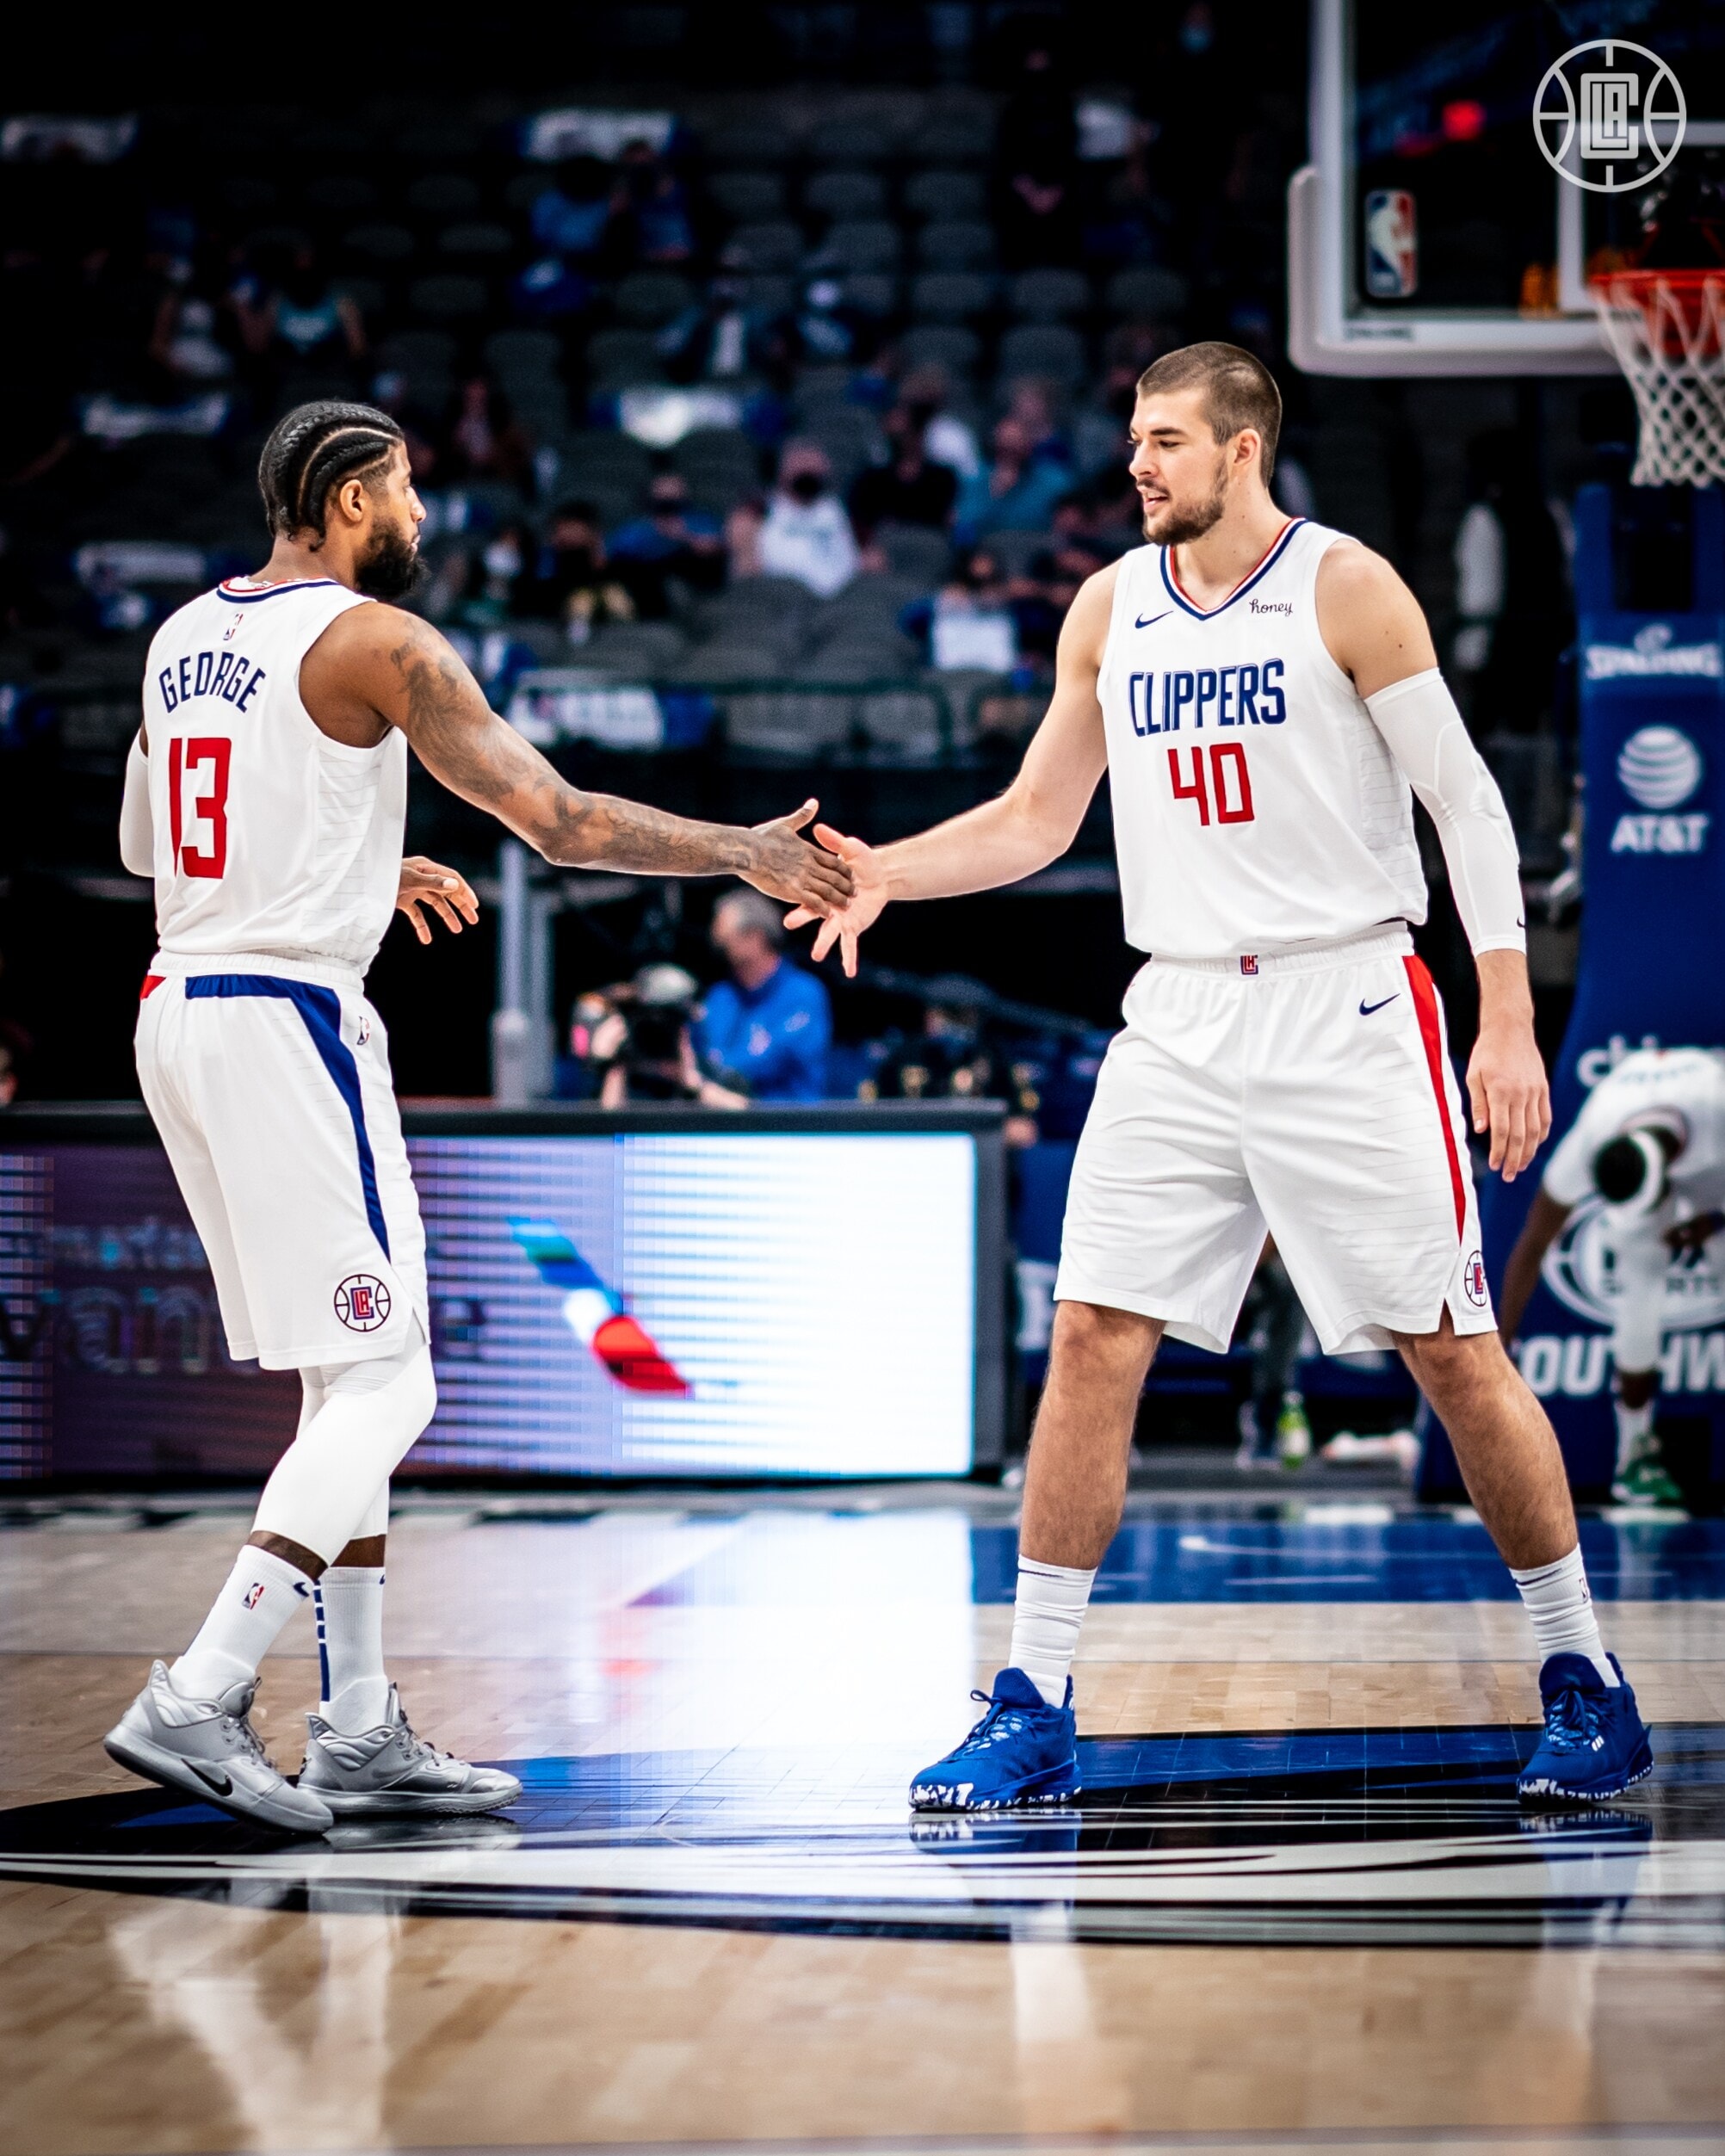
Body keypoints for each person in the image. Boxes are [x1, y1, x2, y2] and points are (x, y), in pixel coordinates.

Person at [790, 342, 1653, 1810]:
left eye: (1167, 443)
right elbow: (1032, 817)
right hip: (1179, 1016)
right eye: (1133, 438)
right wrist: (887, 874)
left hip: (1345, 1003)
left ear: (1239, 452)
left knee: (1447, 1348)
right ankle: (1032, 1698)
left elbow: (1464, 804)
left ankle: (1582, 1677)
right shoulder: (1106, 606)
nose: (1138, 465)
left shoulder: (1345, 586)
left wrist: (1503, 1018)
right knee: (1088, 1337)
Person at [105, 399, 852, 1832]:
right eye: (400, 495)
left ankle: (361, 1726)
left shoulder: (178, 633)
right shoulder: (378, 643)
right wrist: (746, 853)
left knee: (350, 1380)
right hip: (285, 1016)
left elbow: (152, 843)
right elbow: (563, 822)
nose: (423, 519)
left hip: (181, 1002)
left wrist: (331, 864)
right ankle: (200, 1694)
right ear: (336, 502)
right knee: (397, 1386)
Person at [1499, 1045, 1725, 1507]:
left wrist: (1713, 1221)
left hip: (1711, 1160)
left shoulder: (1717, 1107)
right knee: (1639, 1282)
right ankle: (1634, 1455)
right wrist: (1501, 1343)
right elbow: (1534, 1241)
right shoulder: (1591, 1139)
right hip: (1645, 1112)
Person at [694, 890, 832, 1102]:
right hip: (723, 1122)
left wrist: (708, 1073)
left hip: (788, 1122)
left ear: (755, 937)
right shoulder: (720, 997)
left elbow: (776, 1058)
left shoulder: (804, 993)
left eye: (726, 939)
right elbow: (701, 1054)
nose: (718, 945)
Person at [607, 472, 726, 615]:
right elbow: (612, 551)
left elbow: (714, 548)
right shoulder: (639, 524)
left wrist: (681, 535)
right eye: (663, 489)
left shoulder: (701, 519)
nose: (668, 494)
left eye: (673, 488)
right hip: (644, 577)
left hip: (690, 574)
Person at [756, 442, 858, 598]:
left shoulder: (842, 510)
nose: (807, 468)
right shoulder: (759, 510)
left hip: (840, 602)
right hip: (781, 600)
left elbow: (868, 556)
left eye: (813, 463)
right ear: (782, 470)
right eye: (800, 462)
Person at [848, 405, 957, 546]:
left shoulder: (942, 478)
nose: (904, 441)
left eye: (908, 433)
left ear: (920, 434)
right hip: (884, 550)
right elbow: (860, 523)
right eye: (896, 437)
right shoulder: (871, 480)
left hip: (930, 548)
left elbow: (949, 522)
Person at [953, 417, 1071, 542]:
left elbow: (1068, 523)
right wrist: (997, 492)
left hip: (1036, 550)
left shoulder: (1054, 481)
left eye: (1015, 449)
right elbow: (963, 524)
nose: (1009, 456)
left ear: (1030, 446)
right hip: (983, 552)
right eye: (1003, 448)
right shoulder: (974, 478)